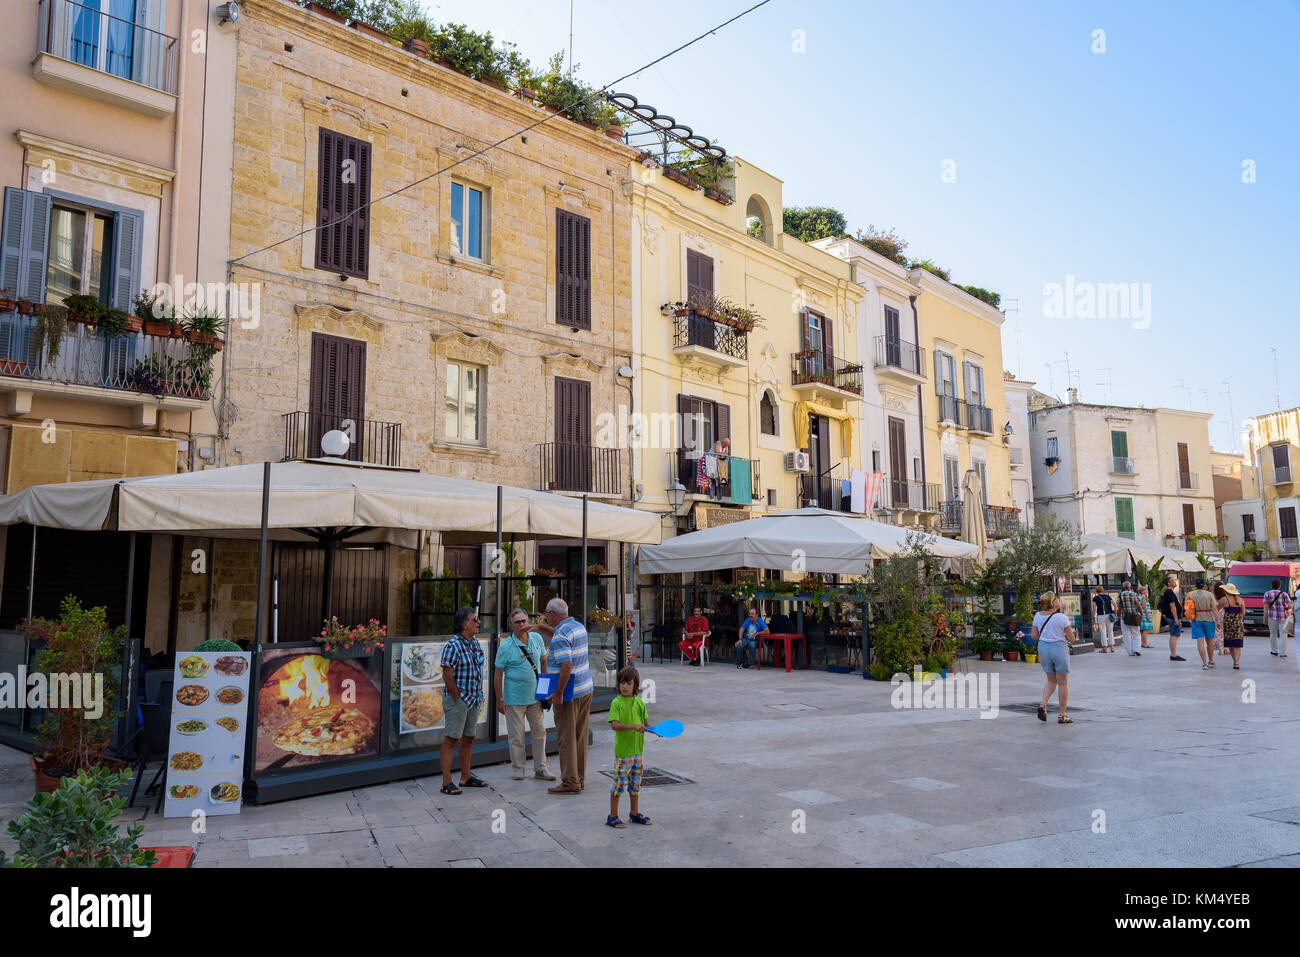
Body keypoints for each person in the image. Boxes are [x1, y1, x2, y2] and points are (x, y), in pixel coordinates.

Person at [493, 608, 555, 782]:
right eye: (518, 622)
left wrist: (545, 689)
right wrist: (500, 699)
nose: (522, 625)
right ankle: (519, 769)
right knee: (517, 736)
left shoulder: (536, 638)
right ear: (511, 626)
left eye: (524, 621)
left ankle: (541, 768)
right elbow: (497, 676)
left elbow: (543, 661)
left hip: (535, 697)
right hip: (514, 699)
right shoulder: (506, 646)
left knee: (540, 732)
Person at [542, 597, 592, 794]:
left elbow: (566, 665)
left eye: (547, 616)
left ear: (552, 615)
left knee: (566, 738)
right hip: (585, 689)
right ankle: (579, 777)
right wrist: (539, 628)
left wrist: (558, 693)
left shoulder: (561, 635)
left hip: (569, 693)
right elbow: (558, 633)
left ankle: (570, 782)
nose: (546, 619)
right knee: (580, 736)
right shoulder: (577, 627)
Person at [438, 607, 487, 795]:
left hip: (473, 699)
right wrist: (458, 698)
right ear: (464, 624)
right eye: (475, 619)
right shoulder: (453, 645)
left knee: (469, 738)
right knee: (451, 739)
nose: (478, 622)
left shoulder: (474, 643)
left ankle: (466, 776)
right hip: (459, 700)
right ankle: (446, 782)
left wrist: (477, 695)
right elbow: (447, 675)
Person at [606, 665, 651, 828]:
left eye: (628, 683)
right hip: (624, 753)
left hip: (638, 751)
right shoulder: (616, 703)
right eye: (622, 683)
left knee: (635, 784)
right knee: (619, 785)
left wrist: (655, 730)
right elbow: (615, 725)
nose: (624, 686)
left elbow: (645, 724)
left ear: (635, 685)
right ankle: (612, 816)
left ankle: (634, 813)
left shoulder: (640, 703)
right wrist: (634, 726)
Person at [1032, 591, 1076, 723]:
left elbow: (1034, 636)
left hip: (1043, 648)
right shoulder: (1061, 617)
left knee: (1051, 680)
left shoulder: (1037, 616)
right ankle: (1062, 715)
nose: (1059, 601)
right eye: (1056, 599)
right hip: (1058, 648)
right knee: (1063, 682)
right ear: (1053, 603)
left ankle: (1043, 704)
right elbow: (1071, 639)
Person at [1188, 578, 1218, 670]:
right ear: (1204, 585)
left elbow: (1187, 608)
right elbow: (1214, 608)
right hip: (1208, 619)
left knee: (1200, 642)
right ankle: (1211, 661)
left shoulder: (1190, 594)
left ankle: (1204, 663)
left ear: (1195, 585)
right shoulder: (1209, 594)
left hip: (1196, 619)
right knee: (1209, 641)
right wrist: (1218, 621)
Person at [1217, 583, 1247, 670]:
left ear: (1227, 591)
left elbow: (1217, 607)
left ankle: (1235, 662)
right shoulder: (1240, 600)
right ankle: (1237, 663)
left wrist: (1219, 620)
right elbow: (1243, 613)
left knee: (1231, 644)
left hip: (1228, 623)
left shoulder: (1224, 599)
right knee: (1237, 644)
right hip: (1238, 622)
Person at [1158, 575, 1186, 661]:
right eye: (1173, 581)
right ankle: (1173, 655)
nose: (1175, 582)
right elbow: (1172, 605)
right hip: (1173, 617)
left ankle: (1173, 654)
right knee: (1174, 635)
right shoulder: (1169, 592)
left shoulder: (1170, 592)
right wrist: (1176, 619)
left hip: (1171, 617)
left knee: (1174, 635)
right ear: (1169, 583)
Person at [1264, 578, 1292, 658]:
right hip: (1283, 616)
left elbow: (1266, 607)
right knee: (1283, 634)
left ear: (1271, 585)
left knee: (1273, 634)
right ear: (1279, 586)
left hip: (1272, 616)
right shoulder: (1284, 594)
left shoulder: (1267, 594)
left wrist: (1264, 617)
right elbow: (1289, 604)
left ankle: (1274, 651)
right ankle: (1282, 653)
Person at [1116, 580, 1143, 657]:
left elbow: (1119, 607)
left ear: (1123, 587)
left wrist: (1118, 616)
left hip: (1125, 617)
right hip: (1134, 616)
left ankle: (1130, 652)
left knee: (1126, 635)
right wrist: (1141, 614)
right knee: (1136, 633)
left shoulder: (1120, 595)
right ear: (1130, 587)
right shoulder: (1134, 594)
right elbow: (1138, 605)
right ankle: (1137, 649)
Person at [1092, 585, 1115, 654]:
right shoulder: (1108, 596)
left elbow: (1094, 608)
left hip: (1101, 615)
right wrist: (1116, 612)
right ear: (1103, 590)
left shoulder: (1095, 598)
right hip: (1109, 615)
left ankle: (1104, 648)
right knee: (1110, 631)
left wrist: (1093, 617)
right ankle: (1112, 647)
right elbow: (1114, 604)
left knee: (1103, 631)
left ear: (1096, 591)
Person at [1137, 584, 1154, 648]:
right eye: (1144, 590)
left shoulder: (1140, 597)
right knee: (1145, 630)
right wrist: (1147, 615)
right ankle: (1145, 643)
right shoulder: (1144, 597)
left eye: (1146, 589)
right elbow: (1144, 607)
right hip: (1144, 614)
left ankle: (1142, 643)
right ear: (1141, 591)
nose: (1145, 591)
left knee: (1142, 630)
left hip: (1141, 614)